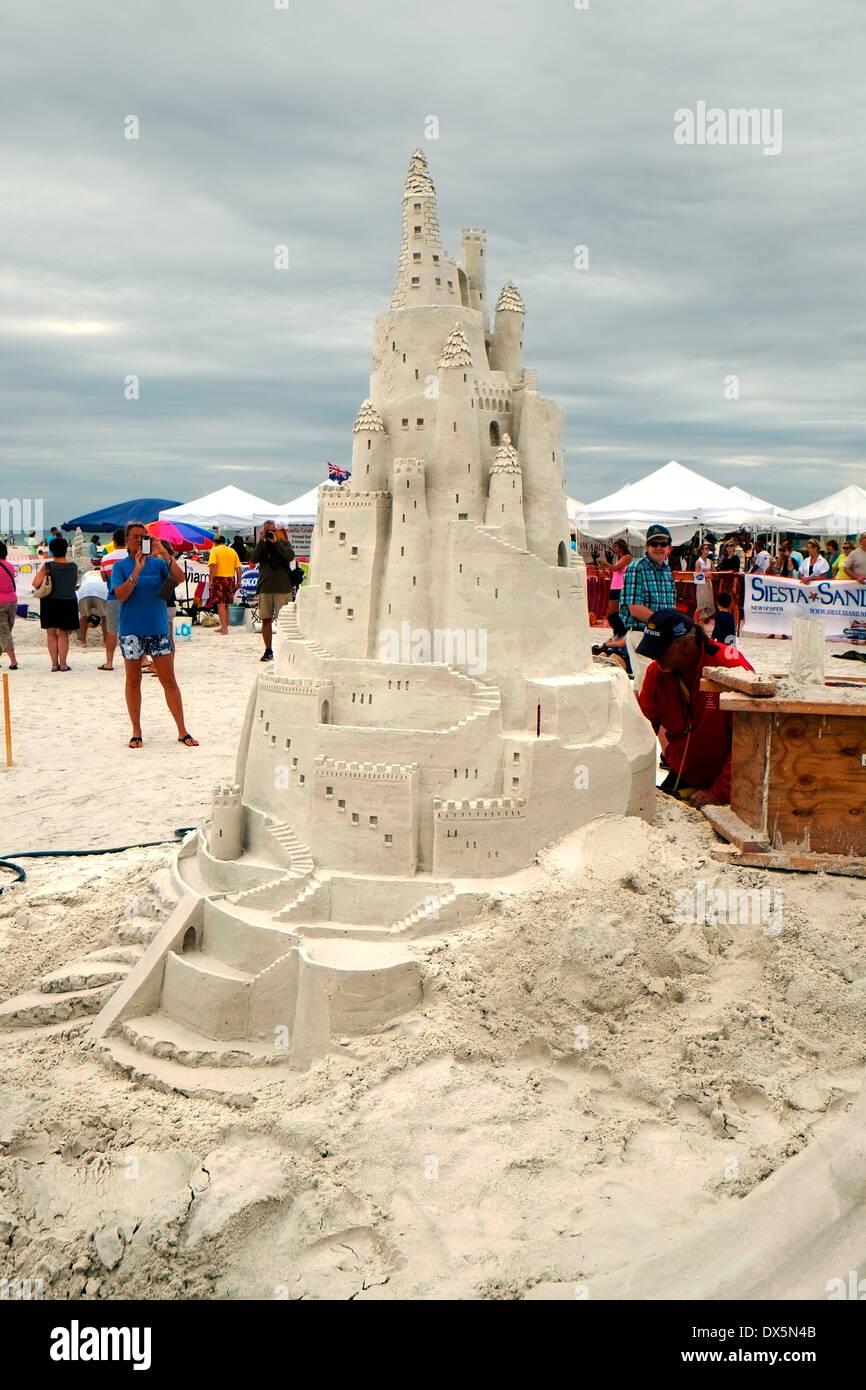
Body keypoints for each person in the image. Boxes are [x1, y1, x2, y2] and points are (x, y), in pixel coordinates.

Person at [636, 608, 754, 808]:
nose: (655, 658)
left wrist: (720, 791)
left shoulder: (728, 665)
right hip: (684, 772)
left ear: (684, 644)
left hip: (732, 779)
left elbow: (750, 739)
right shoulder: (656, 673)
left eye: (660, 651)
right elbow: (642, 730)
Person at [111, 522, 198, 749]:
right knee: (133, 680)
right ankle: (136, 730)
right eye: (135, 537)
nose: (139, 541)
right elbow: (120, 596)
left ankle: (182, 730)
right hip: (132, 630)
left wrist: (165, 553)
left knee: (168, 679)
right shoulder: (120, 566)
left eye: (143, 537)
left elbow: (179, 578)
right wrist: (136, 571)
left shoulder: (159, 564)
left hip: (158, 628)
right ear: (127, 541)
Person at [32, 536, 79, 671]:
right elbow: (74, 583)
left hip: (49, 601)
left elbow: (35, 584)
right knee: (63, 633)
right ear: (66, 550)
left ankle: (54, 664)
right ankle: (63, 664)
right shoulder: (73, 567)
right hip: (68, 601)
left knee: (51, 632)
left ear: (52, 551)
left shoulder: (47, 566)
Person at [252, 520, 296, 662]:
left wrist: (276, 542)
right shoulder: (263, 546)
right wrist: (260, 541)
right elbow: (253, 558)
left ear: (276, 530)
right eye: (268, 531)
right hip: (265, 587)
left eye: (273, 530)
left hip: (282, 587)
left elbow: (289, 557)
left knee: (283, 620)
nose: (271, 533)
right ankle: (268, 650)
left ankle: (285, 649)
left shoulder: (283, 543)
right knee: (266, 620)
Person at [99, 528, 128, 671]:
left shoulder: (106, 558)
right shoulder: (134, 557)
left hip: (113, 596)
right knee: (135, 629)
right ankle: (143, 660)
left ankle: (109, 662)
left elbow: (104, 578)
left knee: (112, 630)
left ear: (114, 541)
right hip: (132, 597)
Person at [208, 535, 242, 635]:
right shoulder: (232, 551)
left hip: (219, 579)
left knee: (221, 605)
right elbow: (238, 567)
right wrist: (239, 580)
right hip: (230, 579)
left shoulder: (214, 550)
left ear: (215, 542)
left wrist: (210, 580)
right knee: (226, 604)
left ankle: (224, 629)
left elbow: (213, 565)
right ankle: (225, 626)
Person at [76, 563, 108, 648]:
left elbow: (81, 585)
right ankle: (105, 642)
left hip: (85, 592)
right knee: (105, 617)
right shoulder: (104, 573)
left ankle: (83, 642)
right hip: (101, 592)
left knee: (83, 616)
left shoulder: (87, 574)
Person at [0, 541, 19, 669]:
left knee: (3, 632)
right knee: (5, 631)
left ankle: (13, 661)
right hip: (12, 600)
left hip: (0, 602)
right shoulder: (10, 566)